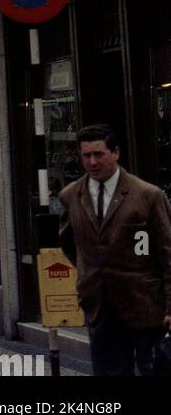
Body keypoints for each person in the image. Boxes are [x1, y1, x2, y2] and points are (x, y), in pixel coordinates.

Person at [59, 122, 171, 376]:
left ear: (116, 153)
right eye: (86, 155)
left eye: (99, 154)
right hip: (99, 307)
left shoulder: (147, 195)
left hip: (145, 305)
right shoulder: (71, 195)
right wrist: (90, 275)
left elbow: (167, 253)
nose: (92, 162)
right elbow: (69, 244)